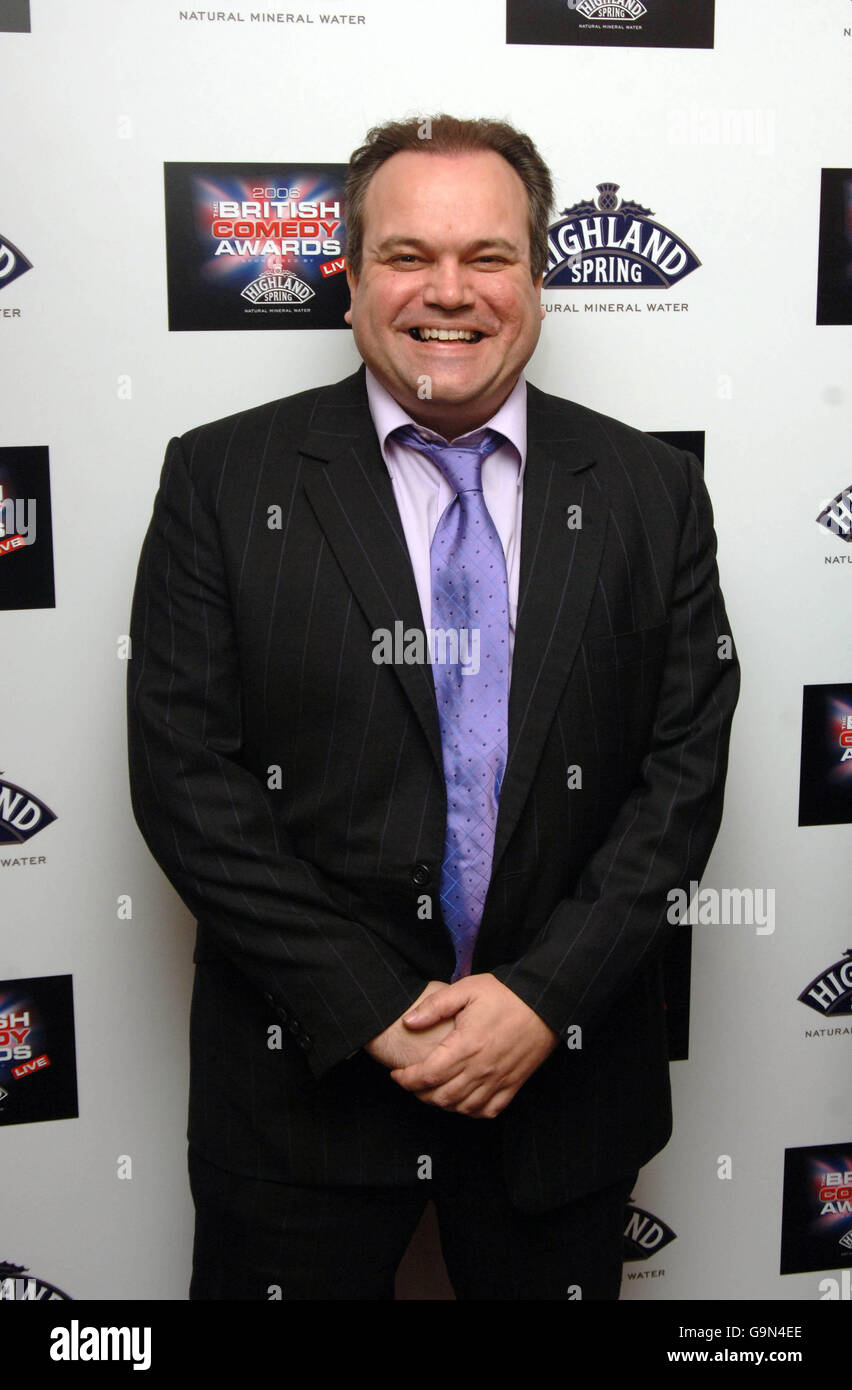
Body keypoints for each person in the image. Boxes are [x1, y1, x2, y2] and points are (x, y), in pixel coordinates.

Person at [127, 113, 739, 1301]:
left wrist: (540, 999)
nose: (447, 293)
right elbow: (187, 779)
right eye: (407, 255)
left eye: (488, 256)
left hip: (561, 1094)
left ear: (540, 276)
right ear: (349, 274)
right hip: (304, 1102)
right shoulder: (222, 479)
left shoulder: (652, 493)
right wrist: (375, 1008)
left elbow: (683, 772)